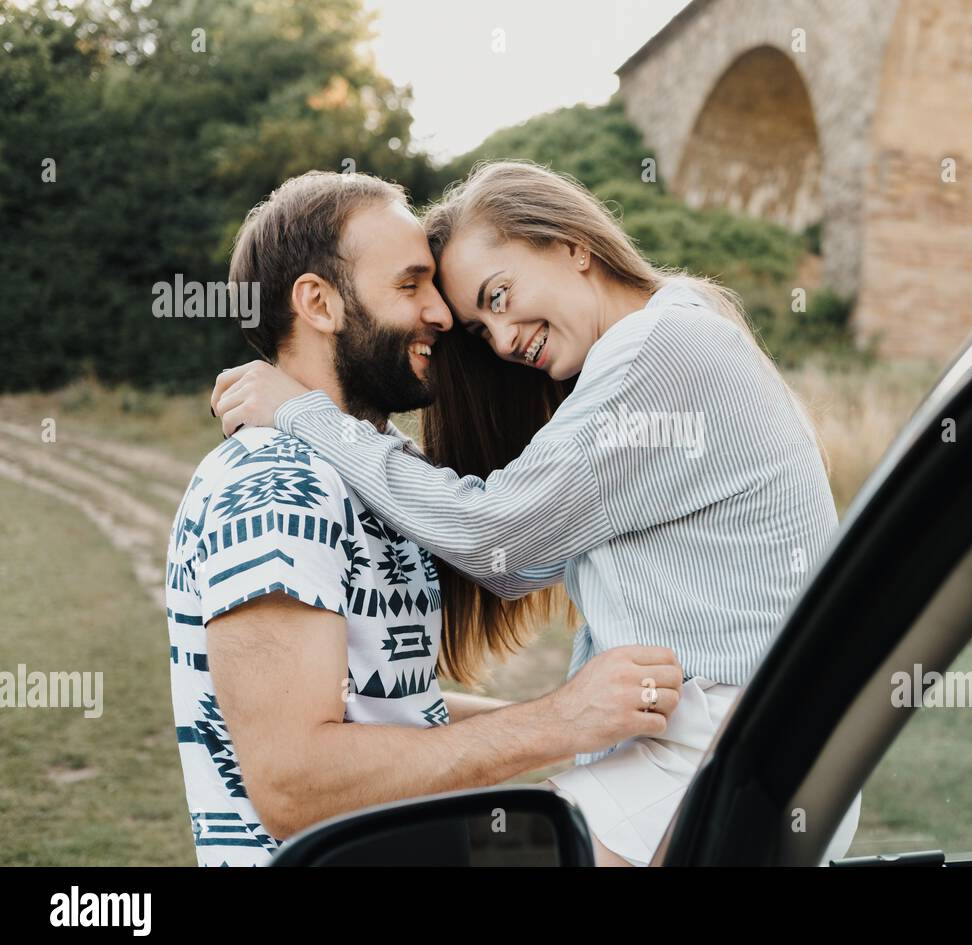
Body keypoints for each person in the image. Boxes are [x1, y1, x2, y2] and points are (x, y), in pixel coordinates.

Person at [211, 161, 862, 865]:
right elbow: (524, 564)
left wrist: (306, 415)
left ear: (570, 245)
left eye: (498, 294)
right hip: (714, 745)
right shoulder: (662, 339)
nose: (501, 338)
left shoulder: (663, 349)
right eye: (480, 326)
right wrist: (552, 718)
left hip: (715, 749)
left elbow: (500, 537)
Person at [168, 170, 682, 866]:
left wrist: (600, 725)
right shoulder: (276, 485)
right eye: (411, 285)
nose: (442, 314)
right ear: (318, 303)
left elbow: (399, 709)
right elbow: (295, 783)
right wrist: (558, 721)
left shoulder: (375, 470)